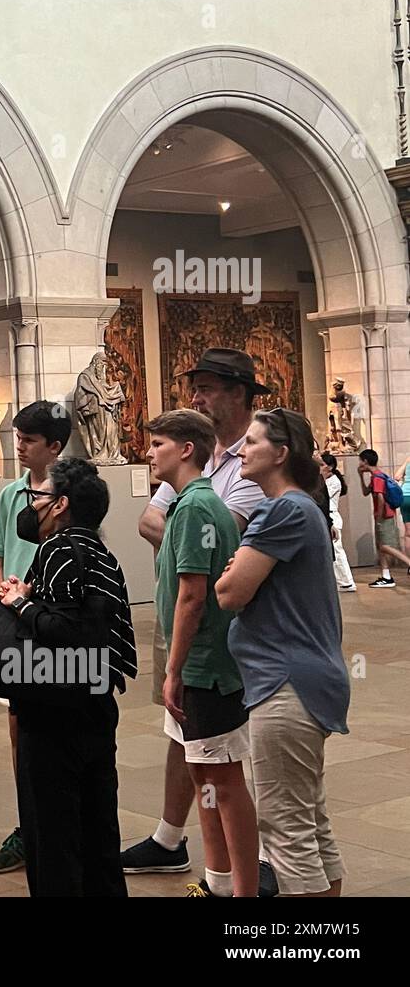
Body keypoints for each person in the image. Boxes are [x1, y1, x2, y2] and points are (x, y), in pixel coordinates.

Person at [125, 348, 267, 876]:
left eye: (206, 386)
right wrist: (192, 542)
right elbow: (148, 521)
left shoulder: (255, 457)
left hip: (227, 626)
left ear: (238, 393)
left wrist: (190, 542)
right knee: (190, 742)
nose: (196, 395)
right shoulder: (191, 478)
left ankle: (241, 873)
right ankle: (181, 847)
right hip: (193, 621)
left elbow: (225, 544)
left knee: (225, 763)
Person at [215, 410, 350, 897]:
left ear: (281, 453)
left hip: (285, 683)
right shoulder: (300, 509)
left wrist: (233, 571)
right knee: (311, 823)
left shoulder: (282, 510)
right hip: (304, 681)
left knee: (287, 833)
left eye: (252, 442)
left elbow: (230, 593)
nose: (241, 450)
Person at [0, 458, 139, 896]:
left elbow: (70, 633)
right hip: (95, 705)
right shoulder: (101, 554)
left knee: (53, 836)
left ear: (60, 505)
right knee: (98, 830)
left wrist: (21, 604)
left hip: (55, 712)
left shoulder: (58, 550)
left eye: (38, 497)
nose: (31, 505)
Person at [145, 411, 256, 898]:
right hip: (201, 663)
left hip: (204, 665)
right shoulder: (198, 502)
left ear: (186, 449)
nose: (149, 453)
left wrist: (173, 669)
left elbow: (193, 594)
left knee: (223, 781)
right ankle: (217, 880)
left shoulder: (193, 508)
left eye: (157, 444)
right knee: (205, 774)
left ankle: (242, 891)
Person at [0, 400, 70, 874]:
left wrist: (29, 595)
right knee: (21, 725)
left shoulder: (73, 493)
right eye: (16, 437)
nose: (18, 446)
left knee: (54, 723)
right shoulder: (9, 495)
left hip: (52, 623)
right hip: (15, 618)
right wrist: (2, 594)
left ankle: (56, 825)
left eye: (28, 439)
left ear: (53, 447)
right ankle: (28, 824)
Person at [358, 448, 410, 587]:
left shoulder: (377, 478)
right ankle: (386, 576)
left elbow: (380, 498)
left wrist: (379, 516)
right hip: (383, 515)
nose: (359, 464)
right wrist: (360, 476)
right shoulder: (377, 476)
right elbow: (365, 492)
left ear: (365, 461)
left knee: (385, 546)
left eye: (360, 461)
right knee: (381, 546)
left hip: (384, 516)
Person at [320, 452, 356, 593]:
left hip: (332, 517)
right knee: (332, 551)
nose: (319, 468)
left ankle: (346, 581)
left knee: (337, 550)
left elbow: (322, 496)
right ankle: (338, 580)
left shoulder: (334, 481)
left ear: (330, 467)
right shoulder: (325, 480)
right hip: (327, 516)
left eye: (322, 465)